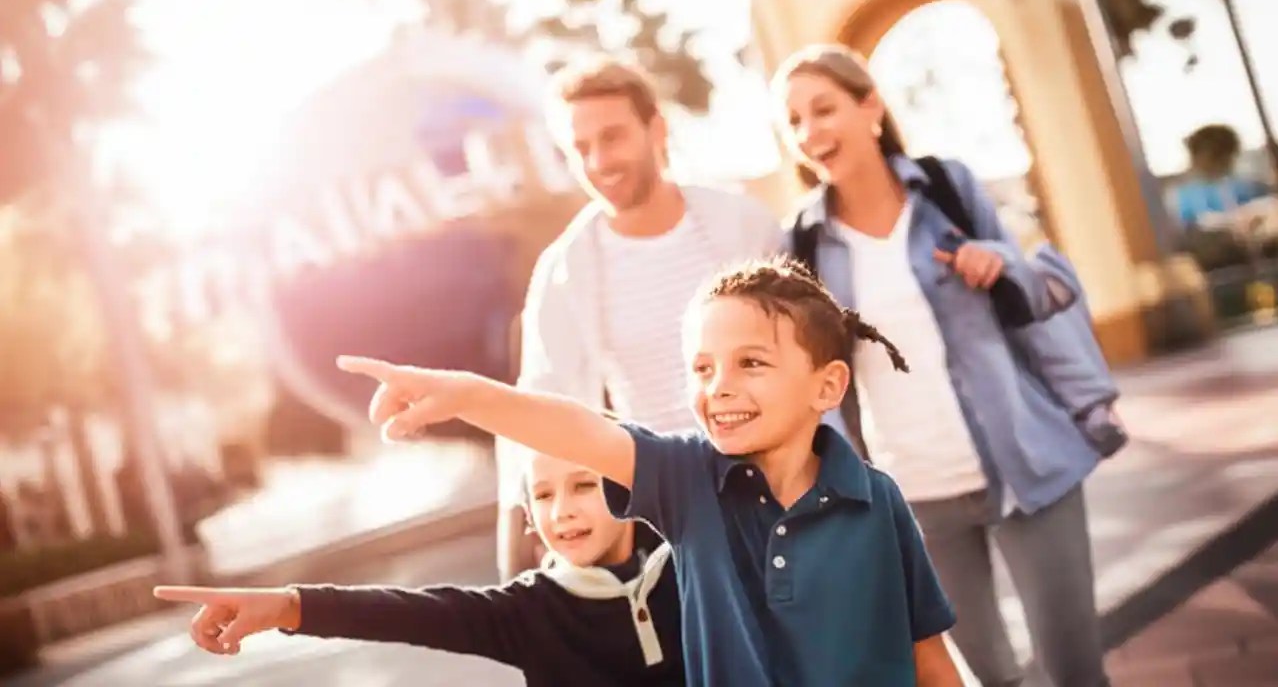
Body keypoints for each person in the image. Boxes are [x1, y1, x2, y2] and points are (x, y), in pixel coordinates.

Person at [338, 256, 964, 687]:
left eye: (750, 362)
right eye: (701, 368)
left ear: (826, 386)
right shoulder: (687, 480)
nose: (719, 387)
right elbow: (578, 430)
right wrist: (468, 395)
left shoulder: (876, 500)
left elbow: (928, 657)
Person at [773, 43, 1109, 686]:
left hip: (1029, 469)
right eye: (793, 122)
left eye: (824, 109)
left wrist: (997, 261)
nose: (810, 132)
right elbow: (817, 386)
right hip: (915, 496)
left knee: (1076, 674)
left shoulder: (948, 188)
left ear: (870, 106)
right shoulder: (804, 243)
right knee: (983, 676)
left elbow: (1036, 298)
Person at [496, 55, 782, 579]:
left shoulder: (743, 226)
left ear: (656, 130)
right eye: (580, 148)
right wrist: (529, 542)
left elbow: (809, 356)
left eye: (613, 137)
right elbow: (540, 405)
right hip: (676, 523)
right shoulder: (565, 273)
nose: (599, 161)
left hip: (783, 493)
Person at [154, 451, 683, 687]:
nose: (562, 509)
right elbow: (408, 613)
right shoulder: (528, 611)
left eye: (584, 484)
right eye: (543, 494)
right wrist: (287, 605)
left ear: (628, 487)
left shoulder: (692, 571)